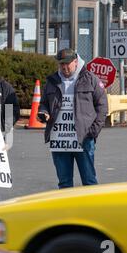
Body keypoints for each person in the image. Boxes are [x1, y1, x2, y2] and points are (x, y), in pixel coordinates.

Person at [38, 49, 108, 189]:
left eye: (67, 64)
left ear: (76, 62)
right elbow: (44, 103)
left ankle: (91, 211)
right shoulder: (52, 81)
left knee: (89, 181)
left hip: (84, 138)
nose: (64, 67)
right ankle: (67, 211)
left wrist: (93, 132)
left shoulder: (90, 79)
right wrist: (43, 113)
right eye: (61, 64)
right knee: (64, 183)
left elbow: (102, 107)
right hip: (60, 140)